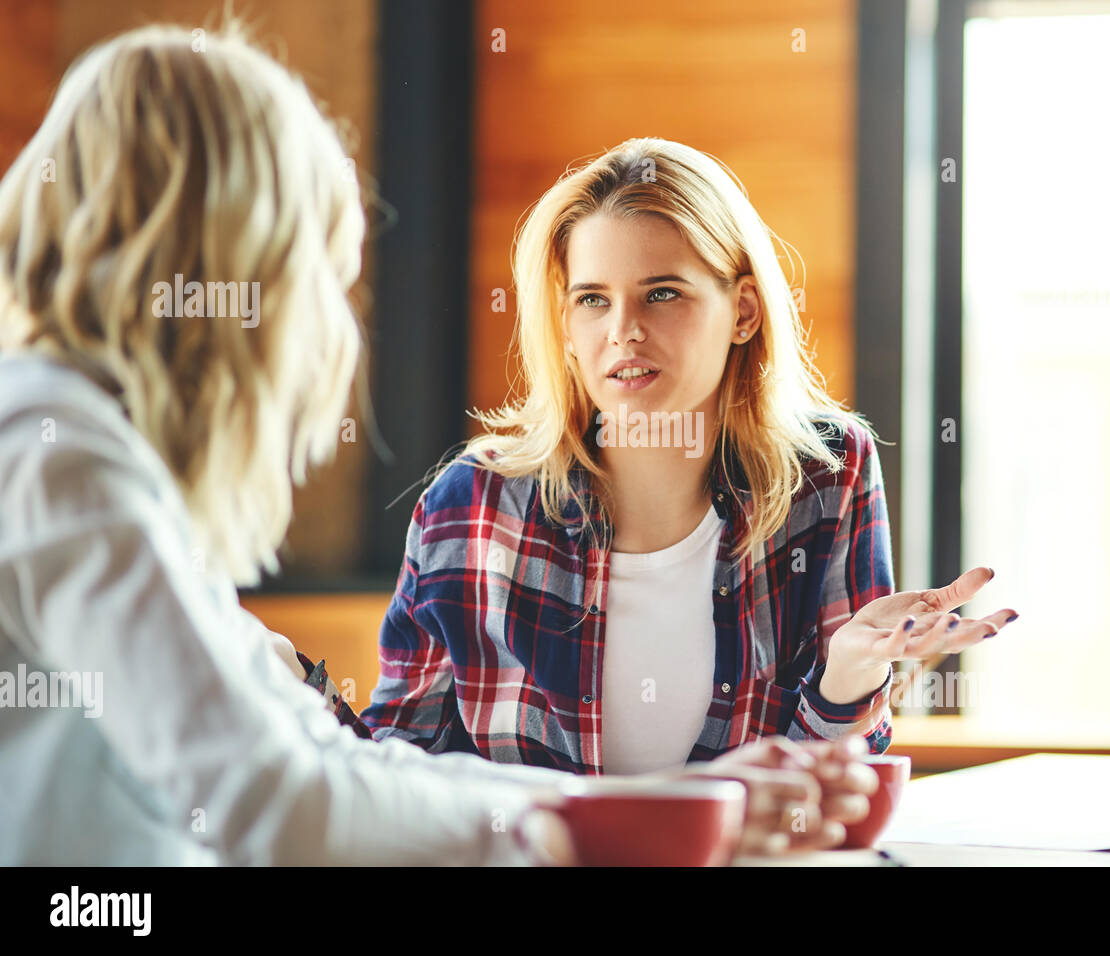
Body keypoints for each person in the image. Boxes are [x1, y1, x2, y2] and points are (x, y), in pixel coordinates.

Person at [0, 25, 867, 865]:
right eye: (315, 271)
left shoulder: (89, 456)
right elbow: (280, 802)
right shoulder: (58, 457)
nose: (329, 327)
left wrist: (666, 810)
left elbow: (341, 770)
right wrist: (574, 831)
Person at [352, 138, 1019, 779]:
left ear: (744, 312)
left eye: (662, 292)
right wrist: (297, 693)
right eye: (592, 300)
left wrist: (847, 675)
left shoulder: (828, 472)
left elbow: (822, 795)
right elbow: (393, 768)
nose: (623, 331)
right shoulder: (471, 504)